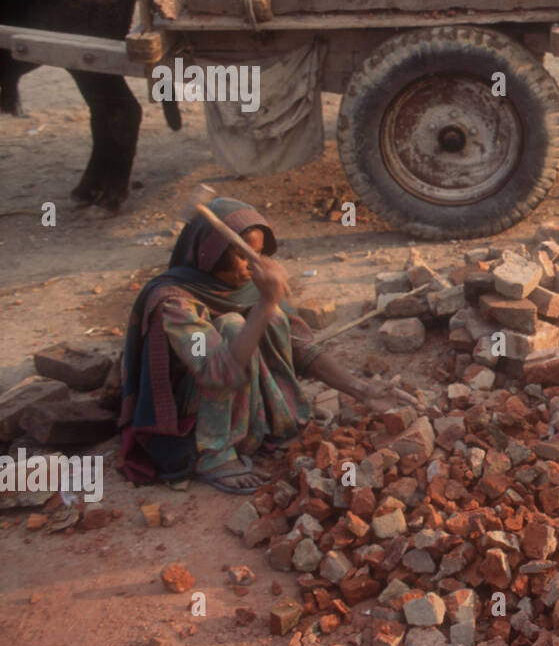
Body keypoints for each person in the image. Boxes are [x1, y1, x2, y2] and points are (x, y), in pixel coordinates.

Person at [118, 197, 403, 493]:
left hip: (239, 398)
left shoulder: (246, 286)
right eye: (242, 255)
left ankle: (277, 423)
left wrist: (361, 389)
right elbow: (216, 372)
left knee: (274, 318)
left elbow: (299, 347)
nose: (253, 265)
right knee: (233, 325)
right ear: (208, 254)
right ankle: (215, 455)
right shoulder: (175, 304)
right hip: (191, 416)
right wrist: (265, 303)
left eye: (258, 253)